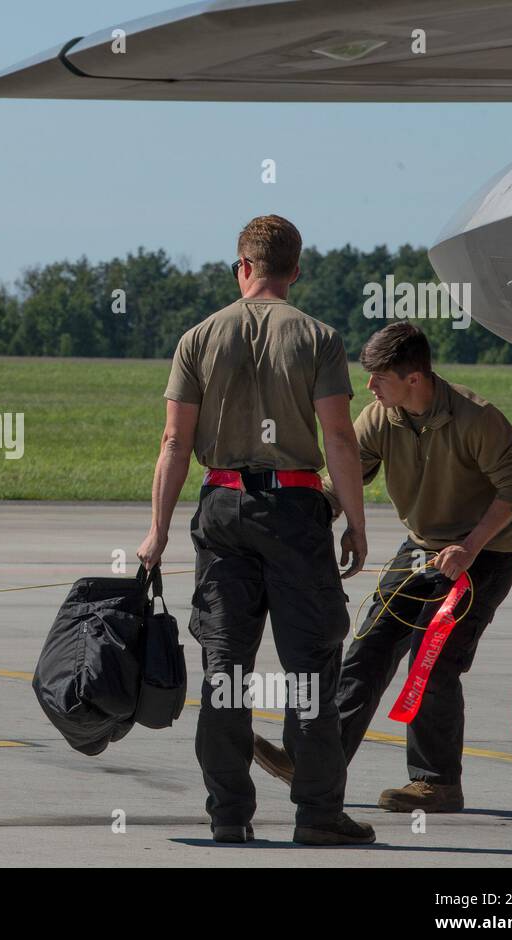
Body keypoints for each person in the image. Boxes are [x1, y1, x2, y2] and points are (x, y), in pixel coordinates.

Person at [137, 214, 374, 845]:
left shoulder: (198, 337)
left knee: (225, 668)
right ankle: (318, 815)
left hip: (221, 507)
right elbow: (341, 439)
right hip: (295, 510)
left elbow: (173, 441)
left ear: (242, 267)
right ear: (295, 270)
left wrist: (157, 529)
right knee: (311, 667)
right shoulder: (318, 338)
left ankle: (228, 814)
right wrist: (354, 520)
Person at [253, 323, 512, 812]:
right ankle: (316, 765)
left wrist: (468, 547)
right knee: (367, 649)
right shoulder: (382, 415)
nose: (370, 387)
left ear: (415, 378)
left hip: (485, 554)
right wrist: (301, 520)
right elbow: (342, 475)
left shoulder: (477, 418)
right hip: (422, 548)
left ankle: (437, 782)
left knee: (434, 659)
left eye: (379, 377)